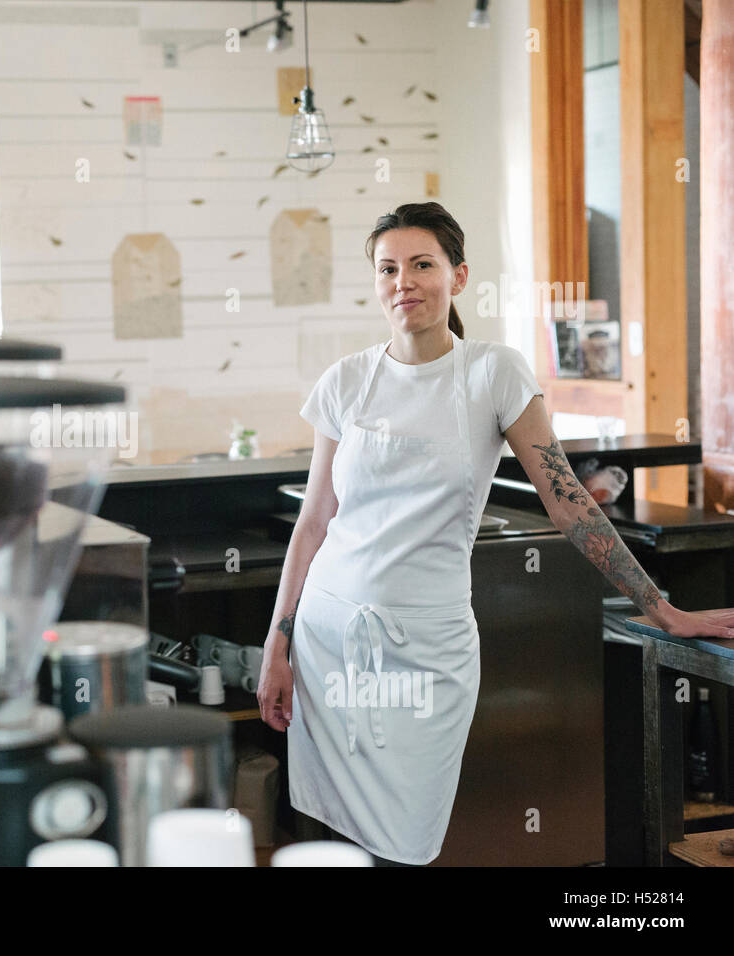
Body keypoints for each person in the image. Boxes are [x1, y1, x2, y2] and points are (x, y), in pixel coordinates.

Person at [255, 201, 734, 866]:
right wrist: (278, 645)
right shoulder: (346, 382)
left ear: (457, 275)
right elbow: (314, 524)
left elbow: (570, 504)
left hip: (430, 644)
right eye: (388, 268)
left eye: (423, 264)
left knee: (411, 840)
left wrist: (664, 610)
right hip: (332, 638)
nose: (405, 281)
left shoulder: (491, 372)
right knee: (335, 833)